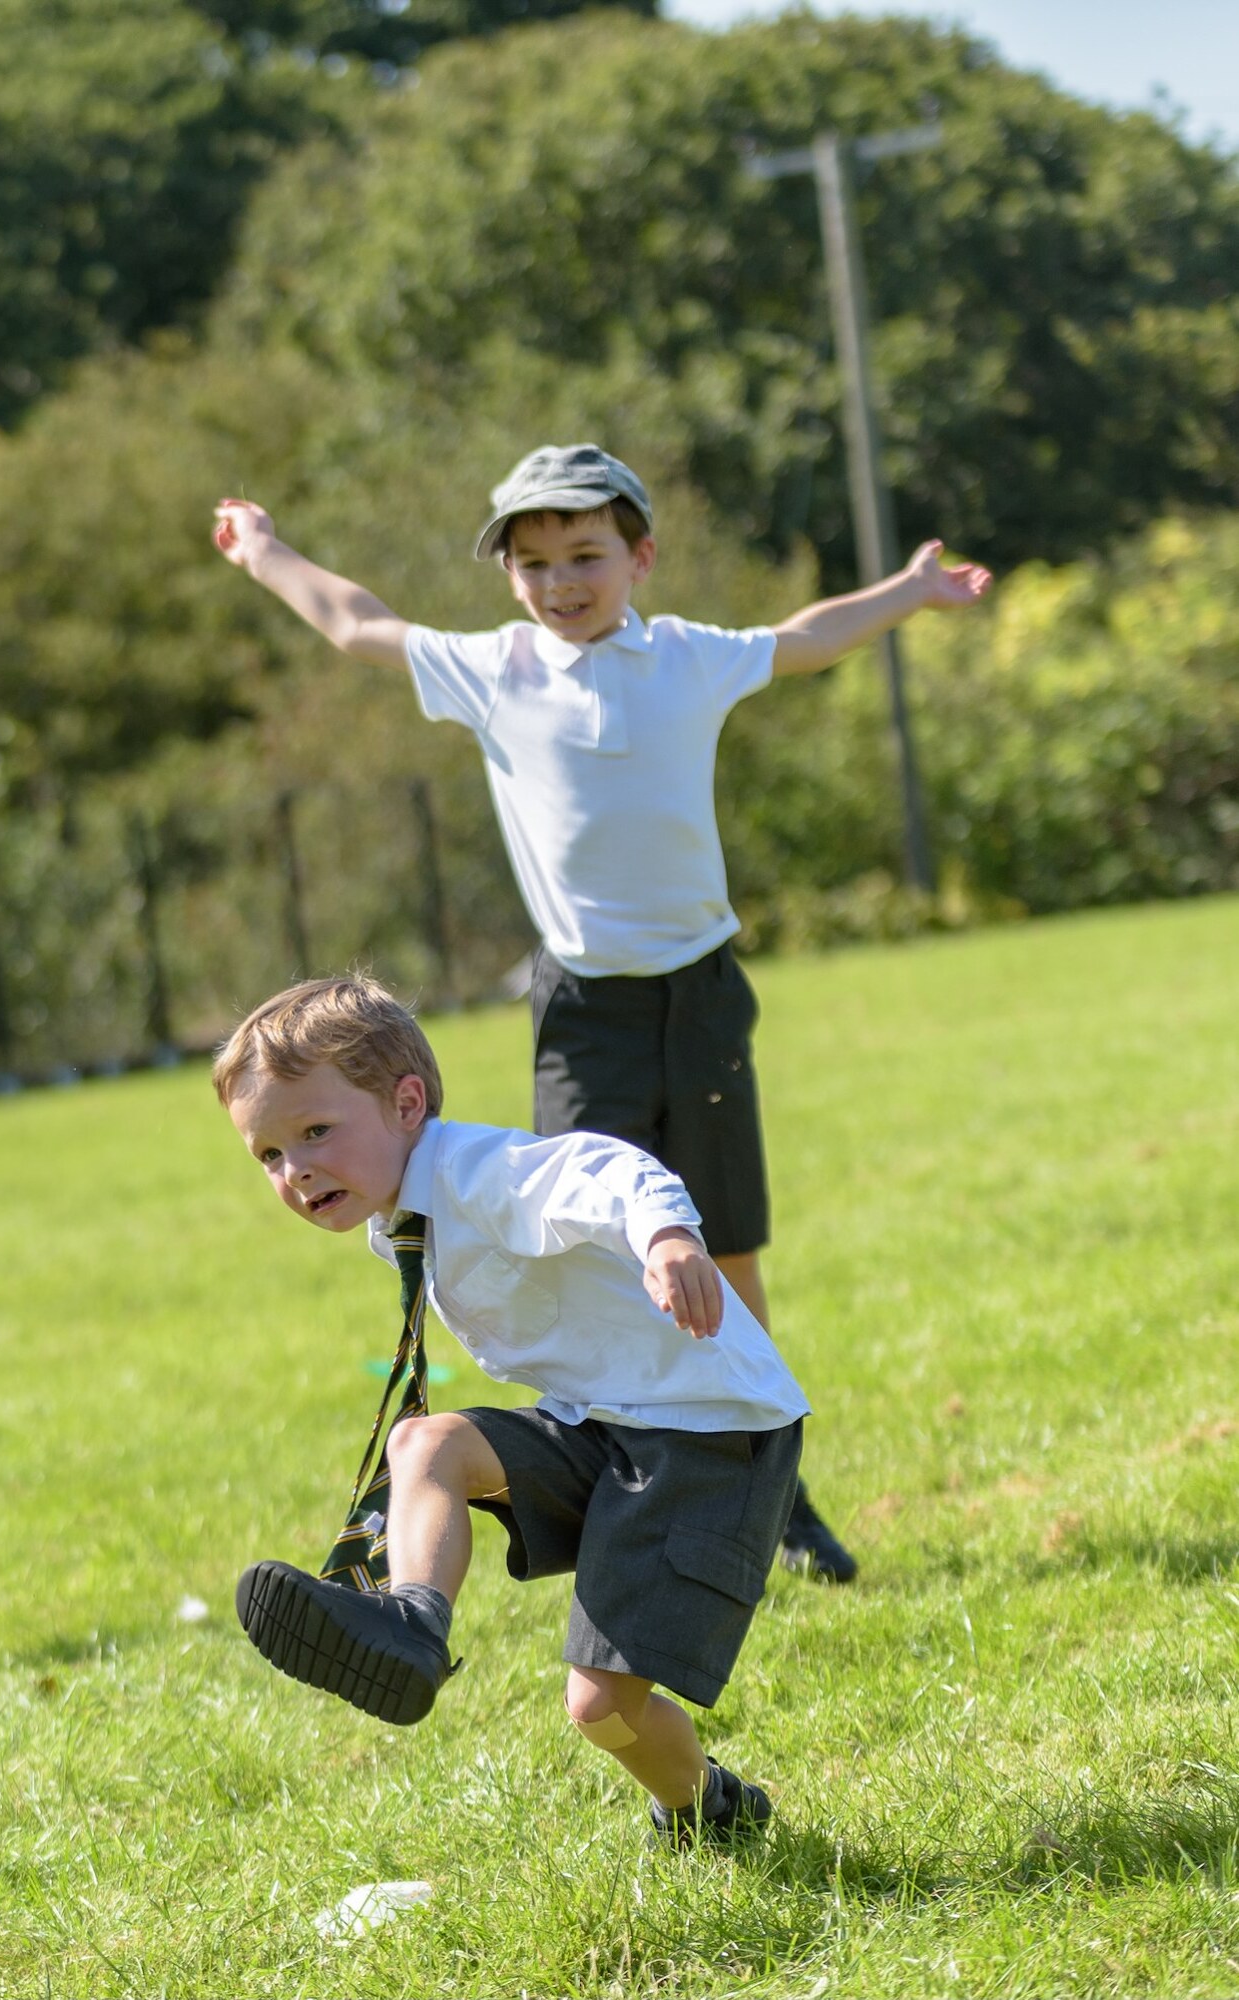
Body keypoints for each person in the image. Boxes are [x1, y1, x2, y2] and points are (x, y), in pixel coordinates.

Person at [210, 443, 994, 1583]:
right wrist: (266, 550)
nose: (561, 581)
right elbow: (356, 624)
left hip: (702, 995)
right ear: (508, 576)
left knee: (720, 1241)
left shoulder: (685, 657)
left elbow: (807, 638)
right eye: (533, 564)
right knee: (593, 1232)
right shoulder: (493, 671)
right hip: (582, 1010)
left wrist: (909, 591)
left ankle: (775, 1490)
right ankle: (623, 1479)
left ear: (640, 556)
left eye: (584, 555)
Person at [218, 976, 808, 1846]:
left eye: (314, 1133)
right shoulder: (399, 1219)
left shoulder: (477, 1174)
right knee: (425, 1443)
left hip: (707, 1432)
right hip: (599, 1423)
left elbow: (604, 1170)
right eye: (268, 1155)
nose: (294, 1170)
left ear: (405, 1104)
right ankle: (412, 1624)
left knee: (600, 1708)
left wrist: (665, 1235)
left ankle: (707, 1809)